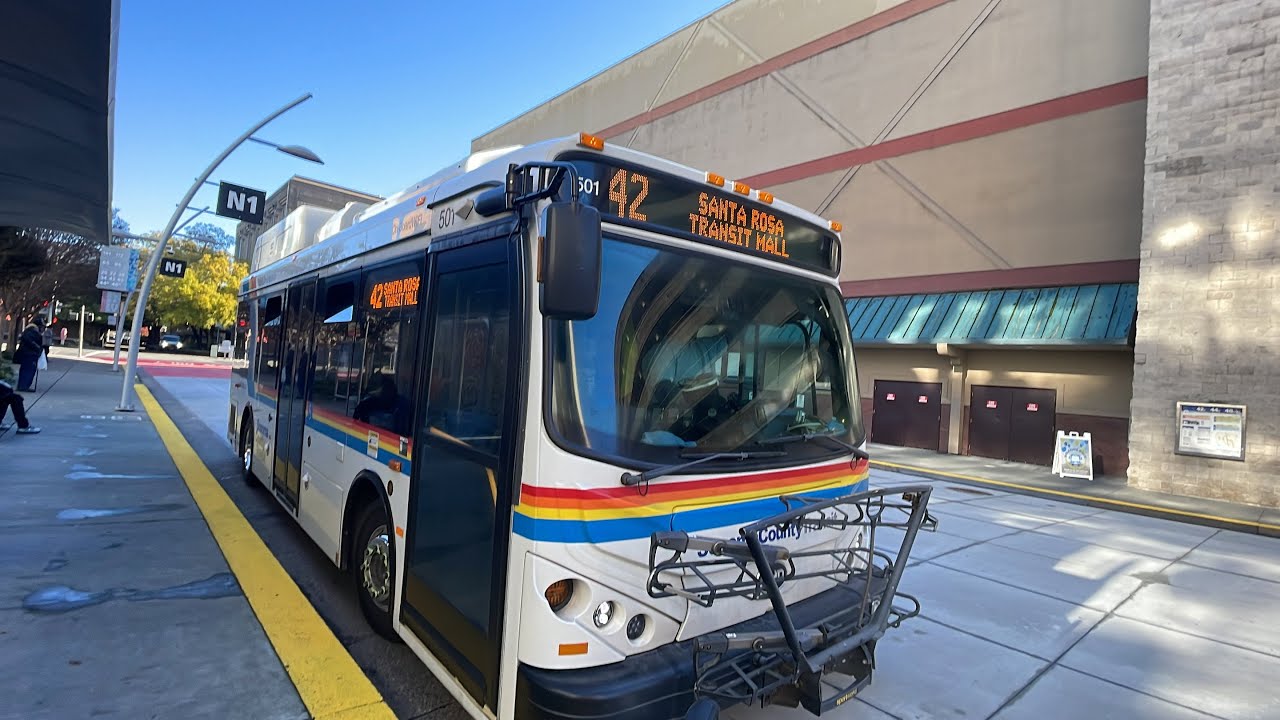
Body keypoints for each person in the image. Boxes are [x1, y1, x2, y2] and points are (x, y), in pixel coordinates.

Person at [13, 320, 44, 392]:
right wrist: (37, 347)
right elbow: (30, 341)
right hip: (30, 354)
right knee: (28, 370)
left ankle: (23, 385)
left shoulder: (29, 330)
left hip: (27, 353)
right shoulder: (32, 331)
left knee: (26, 370)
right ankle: (24, 386)